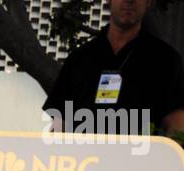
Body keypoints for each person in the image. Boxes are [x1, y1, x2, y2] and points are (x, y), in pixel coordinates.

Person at [43, 0, 184, 135]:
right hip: (84, 157)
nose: (129, 1)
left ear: (149, 2)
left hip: (141, 157)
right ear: (109, 0)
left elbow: (178, 128)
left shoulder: (166, 60)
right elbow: (59, 127)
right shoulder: (78, 60)